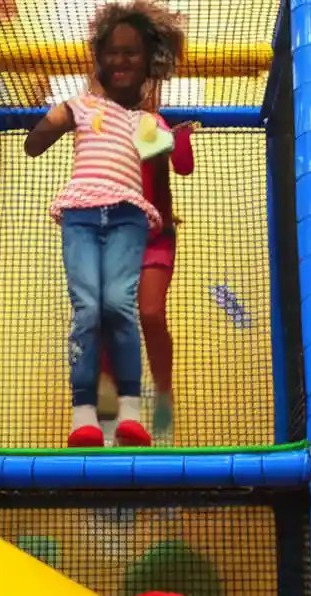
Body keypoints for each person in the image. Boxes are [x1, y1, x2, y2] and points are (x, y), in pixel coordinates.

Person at [23, 0, 185, 448]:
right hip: (88, 216)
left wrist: (175, 142)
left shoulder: (148, 122)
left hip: (140, 225)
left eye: (130, 55)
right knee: (93, 312)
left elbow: (169, 174)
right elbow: (37, 140)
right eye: (111, 54)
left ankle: (144, 405)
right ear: (99, 62)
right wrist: (51, 119)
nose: (119, 62)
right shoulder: (85, 108)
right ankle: (93, 418)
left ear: (147, 68)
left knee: (128, 308)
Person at [98, 82, 196, 438]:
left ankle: (163, 395)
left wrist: (179, 134)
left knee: (151, 313)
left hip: (155, 237)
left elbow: (183, 166)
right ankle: (111, 408)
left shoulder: (152, 124)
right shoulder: (102, 127)